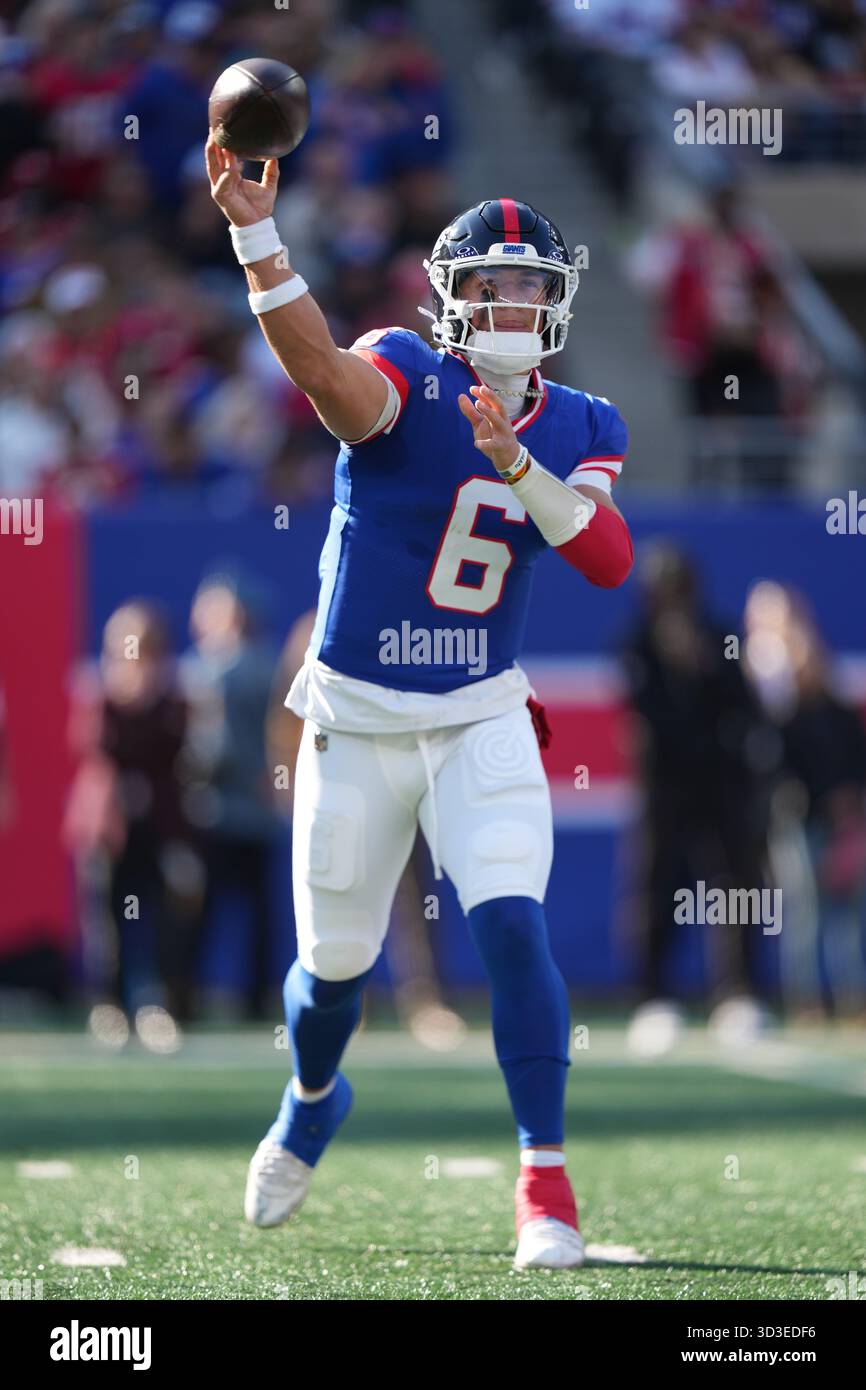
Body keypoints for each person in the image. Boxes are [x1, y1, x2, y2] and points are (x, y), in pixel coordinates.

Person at [206, 134, 633, 1270]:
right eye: (489, 283)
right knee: (331, 975)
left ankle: (545, 1184)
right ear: (449, 297)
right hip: (352, 718)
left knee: (508, 924)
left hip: (479, 711)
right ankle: (309, 1095)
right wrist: (258, 240)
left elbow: (605, 560)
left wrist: (517, 466)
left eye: (530, 285)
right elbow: (328, 383)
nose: (509, 301)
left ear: (556, 301)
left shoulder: (584, 422)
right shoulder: (405, 363)